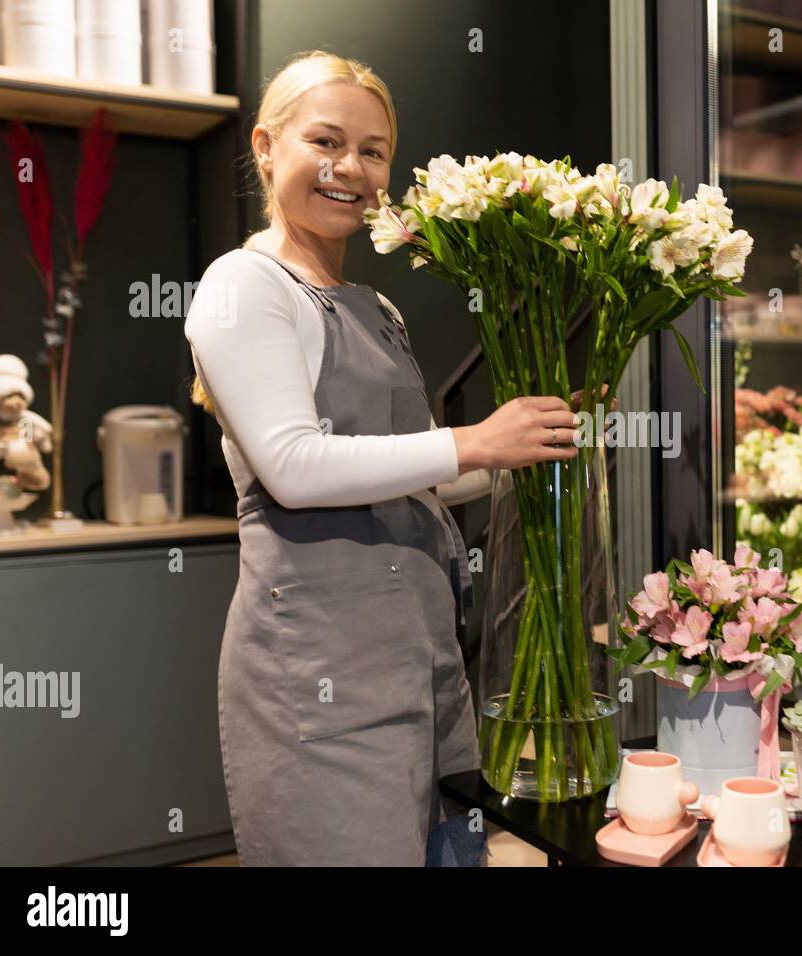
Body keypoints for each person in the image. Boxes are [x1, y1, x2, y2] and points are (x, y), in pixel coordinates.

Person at [184, 50, 581, 865]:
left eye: (372, 152)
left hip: (422, 660)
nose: (350, 169)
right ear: (265, 146)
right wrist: (476, 439)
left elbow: (418, 479)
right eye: (325, 141)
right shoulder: (243, 285)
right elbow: (294, 467)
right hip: (321, 675)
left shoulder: (377, 306)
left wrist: (520, 450)